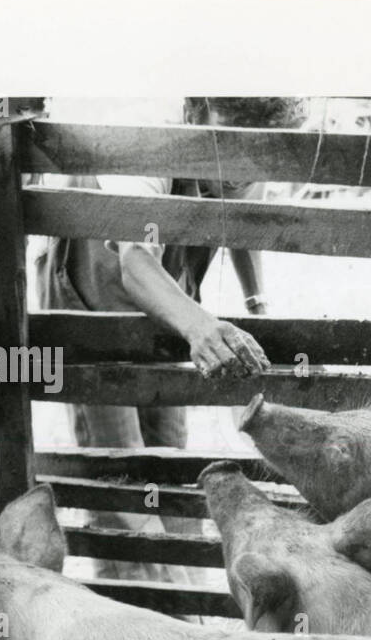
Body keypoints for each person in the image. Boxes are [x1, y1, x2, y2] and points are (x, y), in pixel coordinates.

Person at [31, 96, 307, 581]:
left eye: (256, 157)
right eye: (233, 150)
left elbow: (242, 219)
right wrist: (200, 327)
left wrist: (257, 304)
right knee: (120, 470)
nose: (244, 169)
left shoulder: (249, 141)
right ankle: (137, 606)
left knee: (170, 455)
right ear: (198, 113)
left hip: (170, 302)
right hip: (93, 289)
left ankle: (185, 603)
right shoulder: (151, 139)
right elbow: (135, 261)